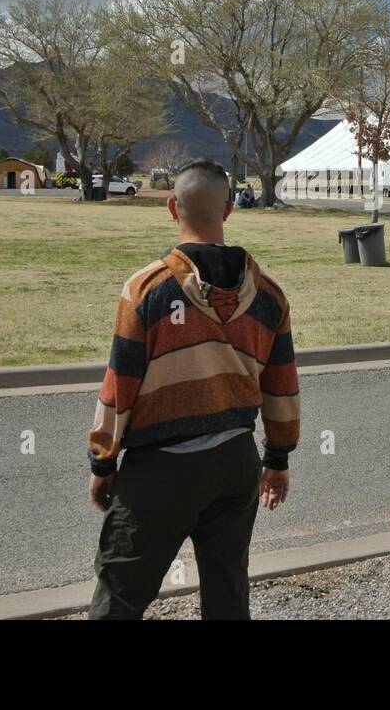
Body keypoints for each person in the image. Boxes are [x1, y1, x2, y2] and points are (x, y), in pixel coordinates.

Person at [86, 158, 300, 619]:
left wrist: (102, 460)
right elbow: (282, 386)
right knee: (227, 593)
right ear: (228, 210)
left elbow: (121, 384)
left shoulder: (146, 289)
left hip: (160, 467)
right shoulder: (269, 295)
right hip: (236, 462)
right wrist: (277, 458)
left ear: (171, 207)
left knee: (120, 596)